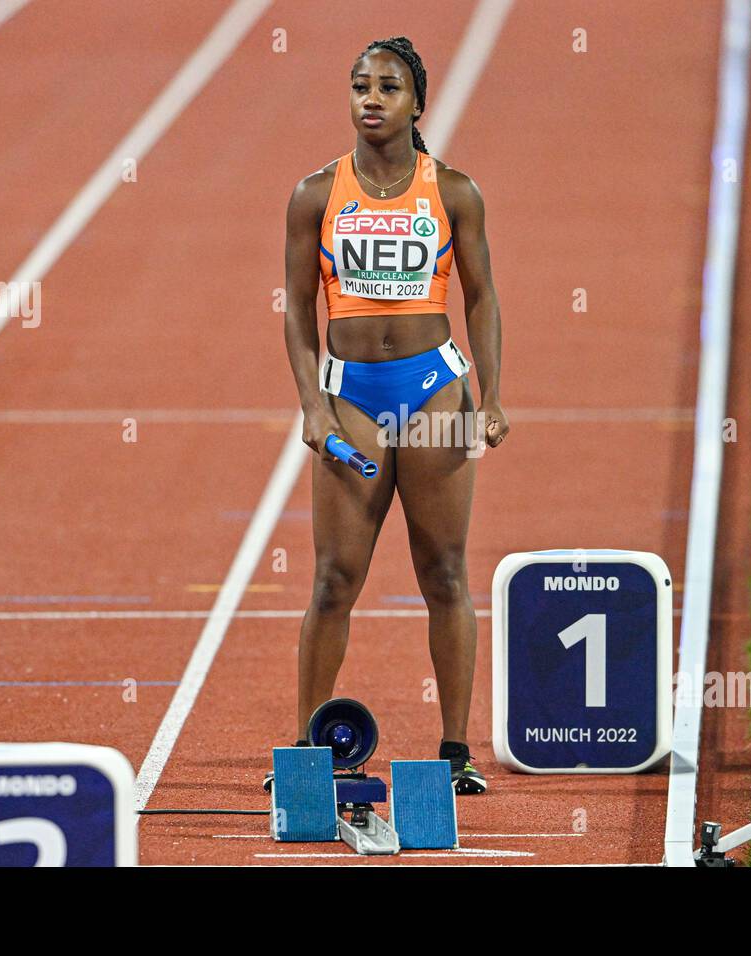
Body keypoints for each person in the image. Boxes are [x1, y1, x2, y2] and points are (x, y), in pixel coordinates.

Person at [282, 36, 507, 794]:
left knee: (444, 573)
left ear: (417, 104)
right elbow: (295, 304)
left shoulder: (454, 191)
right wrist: (312, 404)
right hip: (352, 399)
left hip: (436, 392)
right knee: (332, 581)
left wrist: (494, 394)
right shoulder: (316, 192)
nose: (370, 99)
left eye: (387, 87)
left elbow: (479, 296)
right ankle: (308, 757)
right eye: (359, 86)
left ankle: (454, 752)